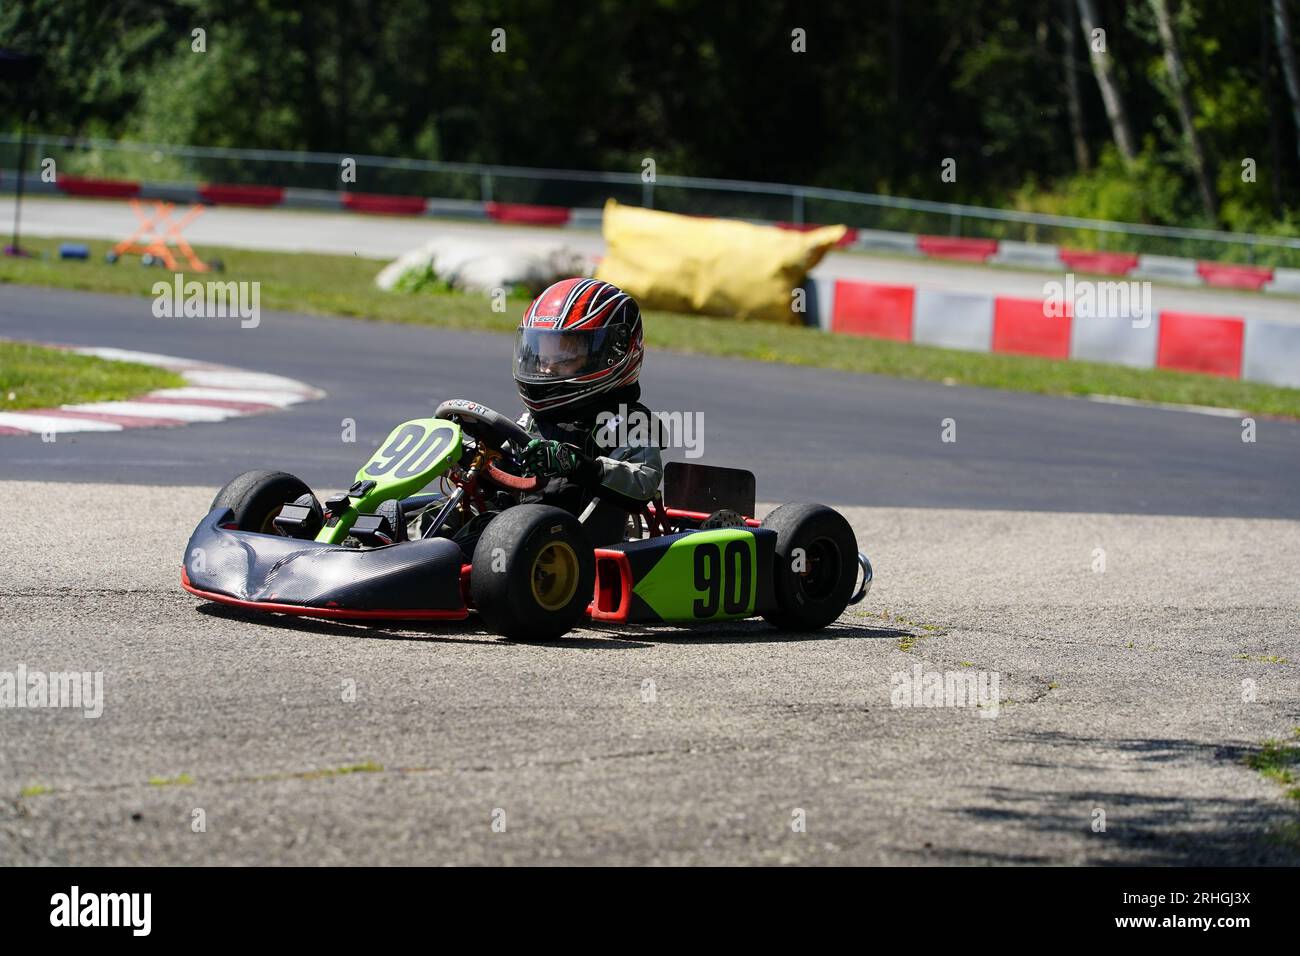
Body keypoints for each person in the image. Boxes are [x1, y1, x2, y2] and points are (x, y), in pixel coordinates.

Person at [511, 278, 662, 525]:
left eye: (563, 358)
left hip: (571, 542)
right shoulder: (533, 420)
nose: (547, 369)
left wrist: (577, 465)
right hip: (513, 528)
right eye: (542, 357)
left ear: (612, 355)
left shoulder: (629, 422)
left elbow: (642, 482)